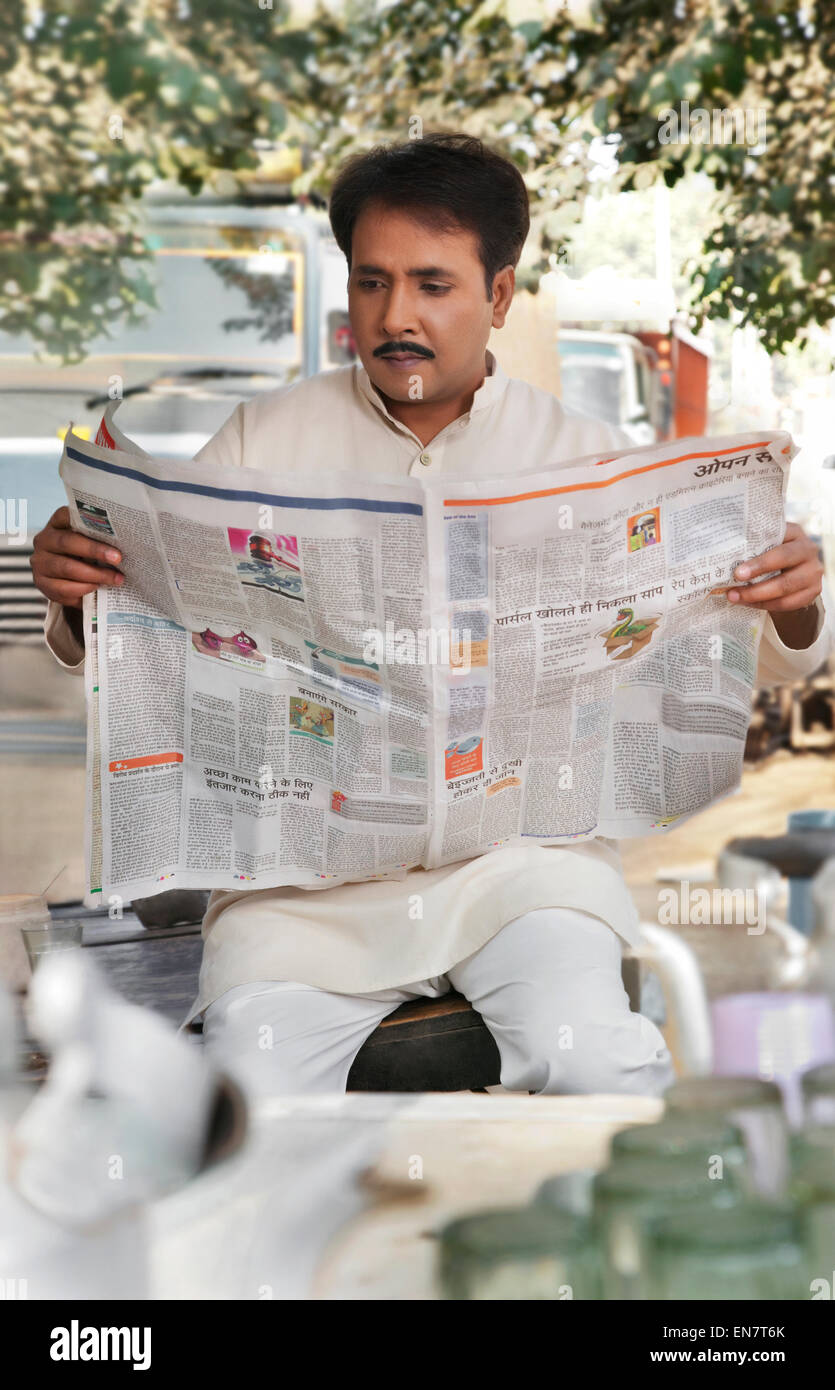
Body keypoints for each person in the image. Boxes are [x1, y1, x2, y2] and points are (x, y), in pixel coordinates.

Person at [32, 133, 833, 1102]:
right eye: (371, 283)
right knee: (255, 1094)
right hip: (300, 901)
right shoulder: (259, 441)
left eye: (431, 285)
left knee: (598, 1063)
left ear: (498, 296)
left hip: (524, 876)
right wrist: (79, 598)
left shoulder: (581, 455)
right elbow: (145, 634)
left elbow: (764, 650)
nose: (395, 317)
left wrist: (795, 602)